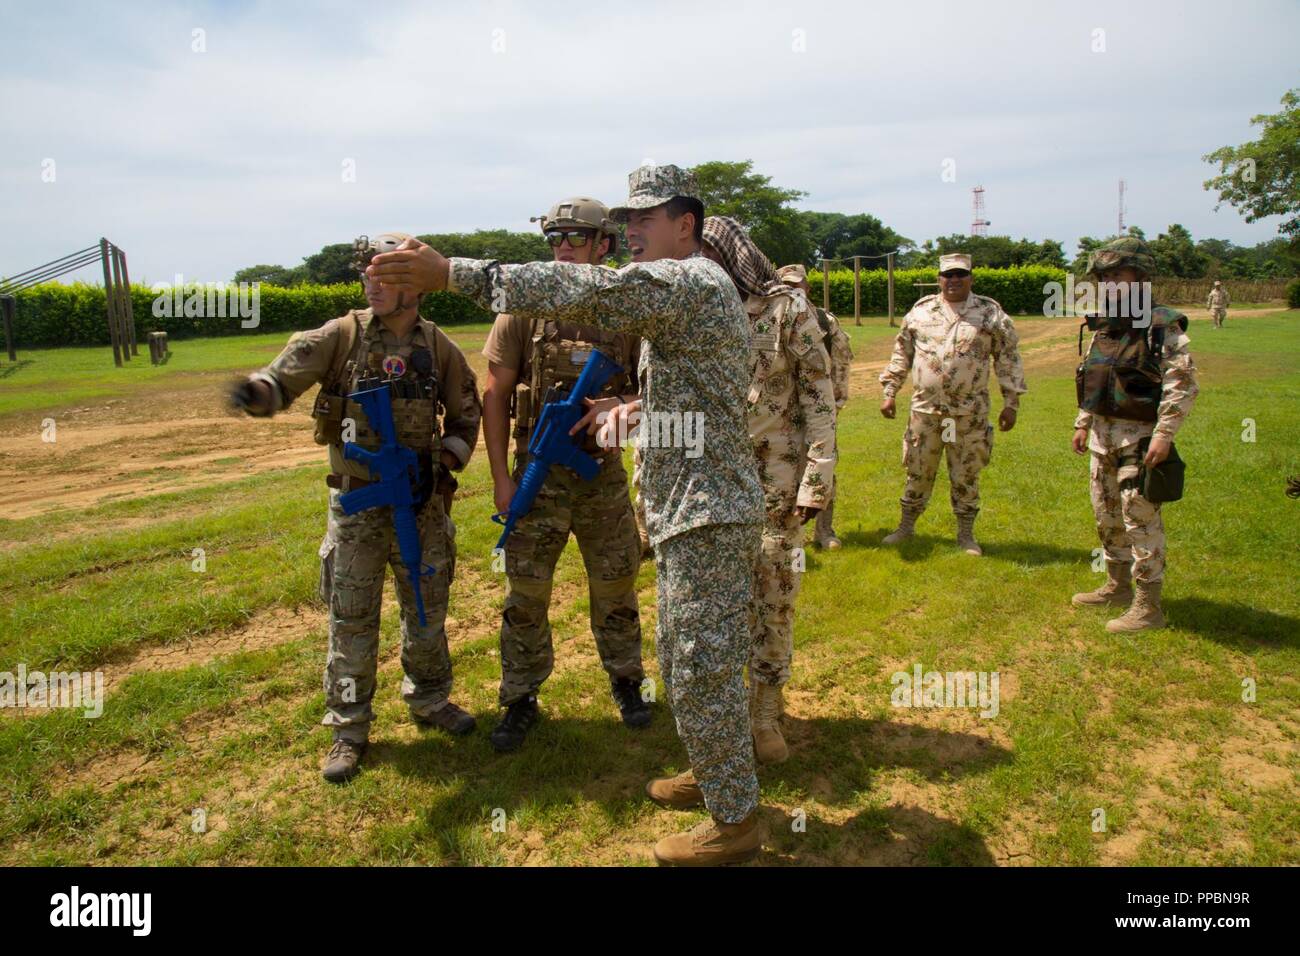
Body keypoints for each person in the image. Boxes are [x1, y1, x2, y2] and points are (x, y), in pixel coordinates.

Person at [366, 165, 768, 866]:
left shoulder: (690, 281)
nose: (633, 231)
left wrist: (451, 271)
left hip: (708, 513)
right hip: (689, 510)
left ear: (687, 226)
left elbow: (591, 287)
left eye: (647, 219)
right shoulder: (690, 296)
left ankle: (734, 824)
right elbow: (707, 407)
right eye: (628, 219)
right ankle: (716, 777)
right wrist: (634, 411)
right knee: (681, 657)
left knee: (700, 667)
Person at [230, 232, 482, 783]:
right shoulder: (338, 336)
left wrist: (442, 474)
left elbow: (467, 417)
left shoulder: (439, 348)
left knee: (425, 613)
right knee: (351, 621)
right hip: (358, 510)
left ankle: (431, 700)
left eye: (386, 277)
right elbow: (281, 379)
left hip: (420, 511)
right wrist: (257, 393)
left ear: (414, 287)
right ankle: (349, 728)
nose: (373, 285)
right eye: (368, 275)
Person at [479, 197, 649, 752]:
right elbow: (496, 394)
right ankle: (520, 697)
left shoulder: (628, 309)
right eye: (555, 238)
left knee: (616, 584)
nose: (563, 248)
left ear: (604, 244)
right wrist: (503, 481)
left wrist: (617, 404)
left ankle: (628, 682)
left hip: (601, 475)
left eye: (576, 238)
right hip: (538, 474)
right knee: (526, 593)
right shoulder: (522, 310)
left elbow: (656, 391)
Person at [701, 219, 836, 765]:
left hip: (775, 477)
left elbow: (818, 394)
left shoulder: (788, 310)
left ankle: (765, 708)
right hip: (708, 476)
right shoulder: (694, 307)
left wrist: (818, 474)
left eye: (712, 252)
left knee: (775, 588)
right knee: (714, 597)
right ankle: (721, 707)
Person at [1071, 236, 1199, 632]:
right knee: (1106, 515)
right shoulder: (1104, 324)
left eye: (1118, 275)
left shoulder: (1161, 324)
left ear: (1140, 277)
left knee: (1139, 520)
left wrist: (1164, 434)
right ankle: (1117, 586)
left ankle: (1148, 607)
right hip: (1102, 439)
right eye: (1104, 277)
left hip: (1140, 441)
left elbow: (1183, 383)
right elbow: (1093, 376)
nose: (1109, 283)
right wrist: (1083, 421)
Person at [878, 253, 1026, 555]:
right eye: (948, 275)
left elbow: (1008, 358)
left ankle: (965, 536)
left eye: (960, 274)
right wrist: (890, 391)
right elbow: (901, 355)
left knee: (966, 474)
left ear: (970, 278)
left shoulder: (989, 314)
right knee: (918, 470)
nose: (954, 280)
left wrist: (1011, 402)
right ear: (939, 279)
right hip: (926, 412)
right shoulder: (921, 312)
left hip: (967, 414)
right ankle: (906, 527)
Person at [777, 263, 854, 550]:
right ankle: (785, 535)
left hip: (818, 411)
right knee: (782, 473)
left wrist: (836, 403)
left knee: (822, 469)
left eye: (797, 285)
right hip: (782, 415)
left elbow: (842, 362)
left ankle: (825, 531)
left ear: (807, 288)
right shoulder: (771, 318)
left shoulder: (824, 321)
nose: (792, 290)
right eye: (786, 285)